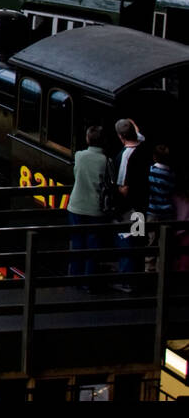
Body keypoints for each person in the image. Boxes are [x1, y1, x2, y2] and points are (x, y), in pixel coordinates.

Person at [66, 125, 112, 289]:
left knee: (77, 244)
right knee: (93, 247)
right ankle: (89, 283)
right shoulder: (106, 161)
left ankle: (74, 279)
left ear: (88, 139)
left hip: (76, 205)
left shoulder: (79, 155)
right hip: (96, 209)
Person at [113, 117, 151, 287]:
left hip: (130, 209)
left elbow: (124, 187)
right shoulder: (144, 147)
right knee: (138, 241)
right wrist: (133, 124)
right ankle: (136, 278)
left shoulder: (125, 156)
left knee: (127, 242)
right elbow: (140, 137)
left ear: (121, 136)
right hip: (142, 204)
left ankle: (127, 282)